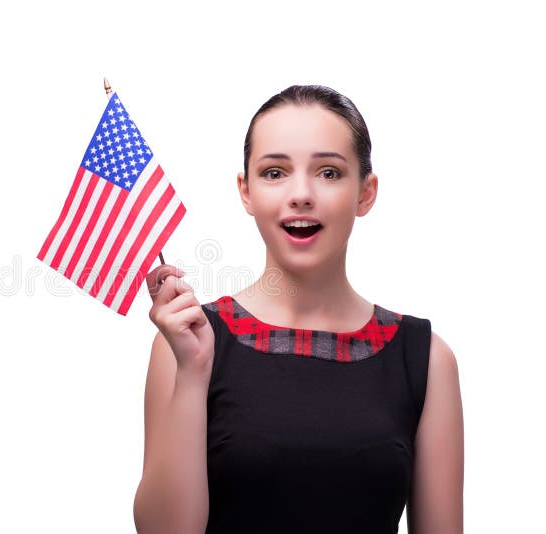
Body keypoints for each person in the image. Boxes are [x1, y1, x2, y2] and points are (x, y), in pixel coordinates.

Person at [132, 85, 464, 534]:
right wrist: (192, 372)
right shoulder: (185, 341)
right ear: (245, 191)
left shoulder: (424, 358)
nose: (301, 194)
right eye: (275, 173)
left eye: (329, 172)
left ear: (365, 193)